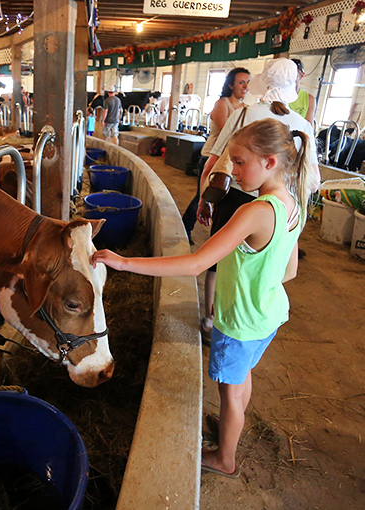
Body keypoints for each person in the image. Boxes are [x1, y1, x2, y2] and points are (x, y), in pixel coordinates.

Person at [93, 118, 313, 478]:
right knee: (241, 378)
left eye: (240, 162)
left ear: (270, 162)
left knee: (229, 393)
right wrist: (239, 286)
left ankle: (224, 458)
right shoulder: (293, 205)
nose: (233, 171)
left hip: (240, 322)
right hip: (268, 315)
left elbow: (196, 264)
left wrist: (124, 262)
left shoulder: (254, 211)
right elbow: (288, 272)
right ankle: (232, 421)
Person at [196, 58, 320, 341]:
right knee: (266, 266)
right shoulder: (302, 124)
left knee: (216, 260)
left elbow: (214, 162)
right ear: (295, 85)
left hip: (237, 199)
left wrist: (204, 199)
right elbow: (312, 181)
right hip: (280, 207)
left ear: (263, 82)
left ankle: (209, 319)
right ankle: (249, 315)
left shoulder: (244, 113)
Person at [182, 68, 250, 245]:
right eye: (241, 82)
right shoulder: (222, 104)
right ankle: (186, 226)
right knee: (204, 194)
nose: (245, 86)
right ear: (230, 85)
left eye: (248, 82)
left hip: (231, 160)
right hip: (212, 156)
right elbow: (228, 134)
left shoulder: (245, 109)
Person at [289, 58, 316, 125]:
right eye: (288, 73)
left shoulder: (309, 99)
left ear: (301, 75)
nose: (290, 77)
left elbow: (309, 127)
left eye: (294, 74)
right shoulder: (276, 95)